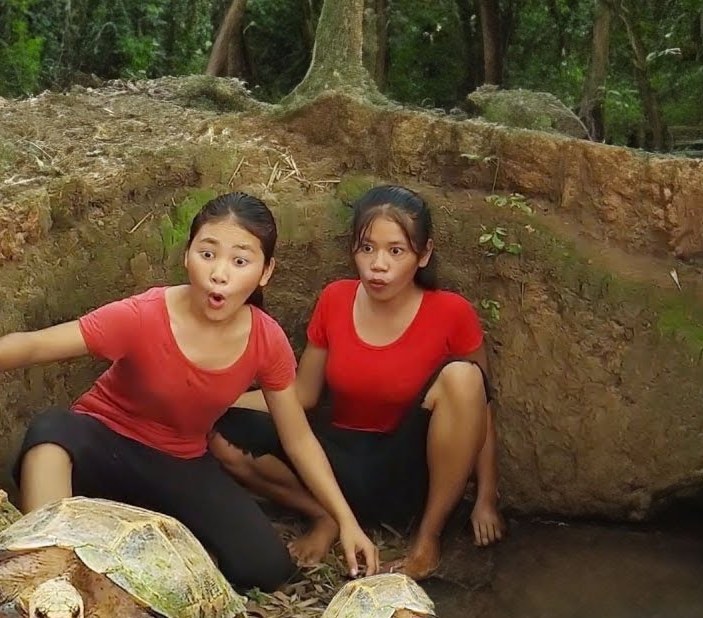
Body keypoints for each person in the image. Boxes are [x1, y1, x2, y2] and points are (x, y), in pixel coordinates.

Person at [0, 191, 379, 592]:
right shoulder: (144, 314)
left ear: (265, 272)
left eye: (240, 261)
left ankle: (148, 549)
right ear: (187, 256)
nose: (220, 273)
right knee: (51, 430)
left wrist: (345, 521)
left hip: (180, 462)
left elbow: (298, 438)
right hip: (104, 447)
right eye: (208, 254)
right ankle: (48, 567)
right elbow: (43, 342)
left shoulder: (266, 339)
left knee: (264, 569)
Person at [209, 184, 506, 581]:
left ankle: (426, 542)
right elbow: (302, 395)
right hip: (339, 461)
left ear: (424, 254)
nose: (378, 265)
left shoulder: (452, 312)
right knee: (222, 436)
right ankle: (327, 516)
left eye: (395, 251)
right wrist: (214, 401)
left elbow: (478, 405)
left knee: (464, 378)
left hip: (409, 469)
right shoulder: (335, 299)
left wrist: (486, 497)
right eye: (367, 248)